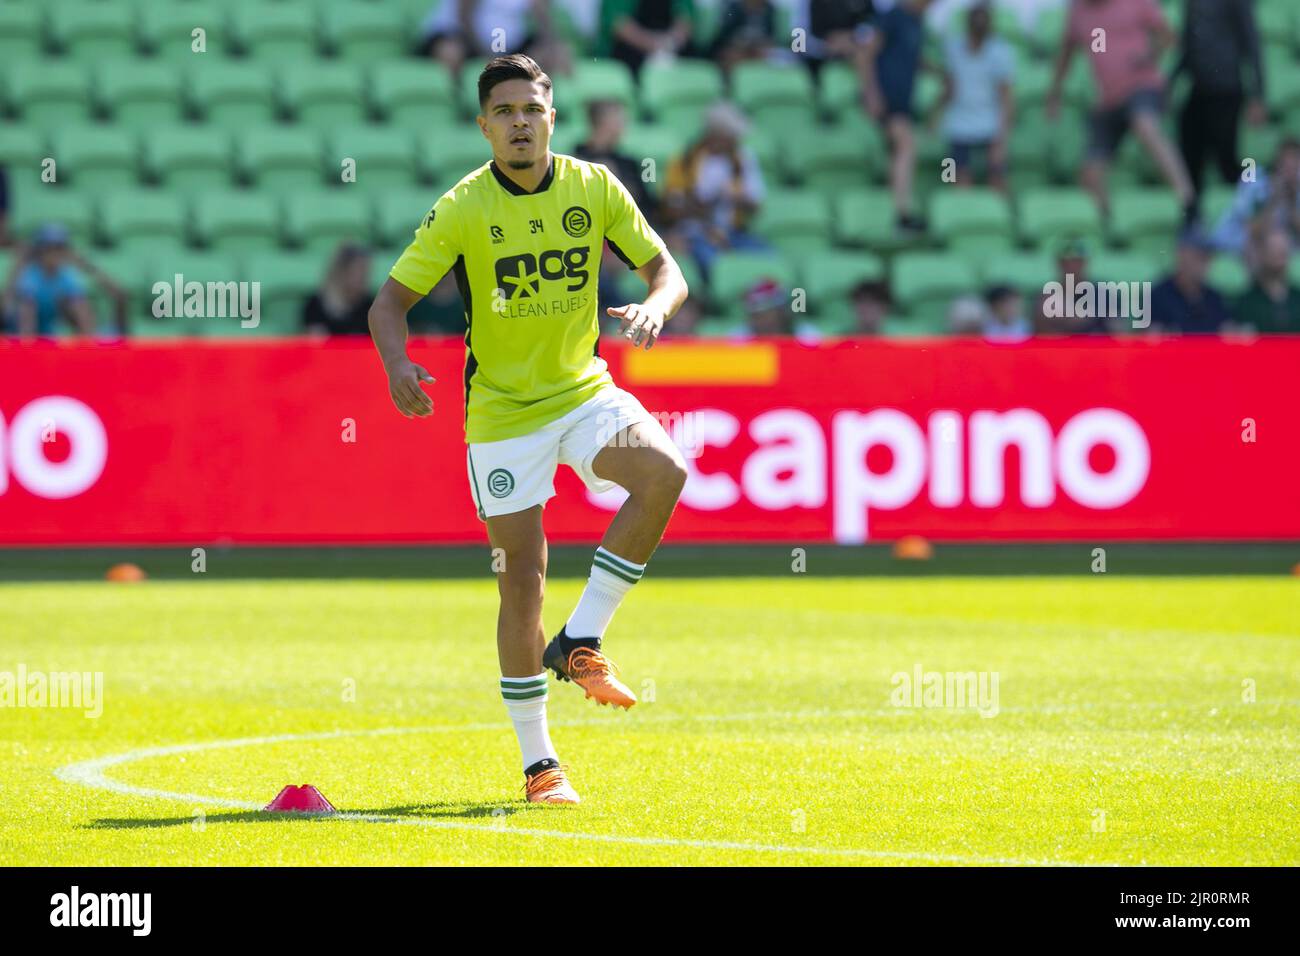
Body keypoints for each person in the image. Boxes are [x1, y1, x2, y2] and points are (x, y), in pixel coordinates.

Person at [367, 55, 690, 805]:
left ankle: (581, 640)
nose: (520, 123)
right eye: (504, 112)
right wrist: (397, 367)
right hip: (504, 413)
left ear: (552, 117)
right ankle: (540, 763)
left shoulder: (595, 187)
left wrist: (654, 309)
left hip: (583, 391)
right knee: (523, 581)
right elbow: (388, 305)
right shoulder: (462, 208)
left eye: (531, 110)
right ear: (484, 127)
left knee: (664, 473)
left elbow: (667, 271)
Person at [1047, 0, 1194, 220]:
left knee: (1145, 126)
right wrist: (1054, 94)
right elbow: (1066, 54)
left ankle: (1188, 200)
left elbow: (1168, 36)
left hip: (1141, 86)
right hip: (1109, 100)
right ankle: (1110, 227)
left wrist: (1150, 54)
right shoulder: (1078, 12)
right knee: (1090, 173)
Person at [1173, 0, 1266, 208]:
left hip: (1227, 88)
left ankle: (1253, 208)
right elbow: (1189, 46)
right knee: (1190, 155)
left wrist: (1258, 95)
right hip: (1200, 88)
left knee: (1227, 160)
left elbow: (1251, 41)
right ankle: (1193, 217)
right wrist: (1171, 81)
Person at [661, 101, 768, 278]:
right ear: (717, 135)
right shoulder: (685, 160)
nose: (736, 139)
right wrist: (707, 209)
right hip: (696, 234)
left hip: (734, 233)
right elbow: (672, 208)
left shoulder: (743, 158)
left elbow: (756, 205)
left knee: (768, 257)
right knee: (714, 265)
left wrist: (739, 198)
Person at [859, 0, 931, 233]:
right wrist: (871, 93)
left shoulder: (918, 23)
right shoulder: (893, 16)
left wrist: (939, 72)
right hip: (887, 99)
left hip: (904, 101)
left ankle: (896, 213)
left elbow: (912, 57)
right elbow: (865, 54)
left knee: (898, 151)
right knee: (906, 145)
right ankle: (902, 213)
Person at [934, 1, 1014, 192]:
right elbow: (948, 88)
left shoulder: (1000, 52)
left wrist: (1003, 135)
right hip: (958, 123)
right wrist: (935, 115)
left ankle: (1001, 214)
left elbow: (1006, 97)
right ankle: (960, 212)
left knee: (997, 172)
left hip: (990, 122)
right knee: (952, 174)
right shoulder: (953, 49)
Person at [1211, 139, 1300, 268]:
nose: (1290, 173)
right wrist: (1274, 200)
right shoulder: (1255, 181)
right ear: (1277, 165)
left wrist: (1291, 202)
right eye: (1286, 166)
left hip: (1278, 246)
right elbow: (1253, 230)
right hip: (1241, 241)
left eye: (1295, 167)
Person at [9, 225, 96, 338]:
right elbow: (25, 316)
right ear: (40, 250)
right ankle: (26, 349)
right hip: (16, 330)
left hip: (48, 331)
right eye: (49, 247)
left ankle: (86, 346)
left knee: (79, 304)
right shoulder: (30, 275)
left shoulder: (67, 275)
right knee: (27, 306)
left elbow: (80, 305)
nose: (54, 252)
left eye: (59, 247)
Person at [1150, 227, 1232, 333]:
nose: (1205, 263)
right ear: (1181, 255)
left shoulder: (1214, 299)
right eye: (1199, 255)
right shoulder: (1157, 297)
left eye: (1208, 257)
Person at [598, 0, 693, 78]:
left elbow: (686, 17)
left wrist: (671, 42)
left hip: (672, 50)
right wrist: (655, 44)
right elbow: (618, 23)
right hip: (628, 55)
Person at [1233, 228, 1300, 333]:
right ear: (1261, 253)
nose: (1279, 253)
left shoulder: (1297, 298)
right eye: (1272, 248)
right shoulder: (1246, 303)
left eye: (1282, 248)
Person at [301, 243, 373, 336]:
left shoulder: (369, 307)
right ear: (341, 271)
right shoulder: (315, 306)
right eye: (357, 271)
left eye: (365, 272)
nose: (362, 278)